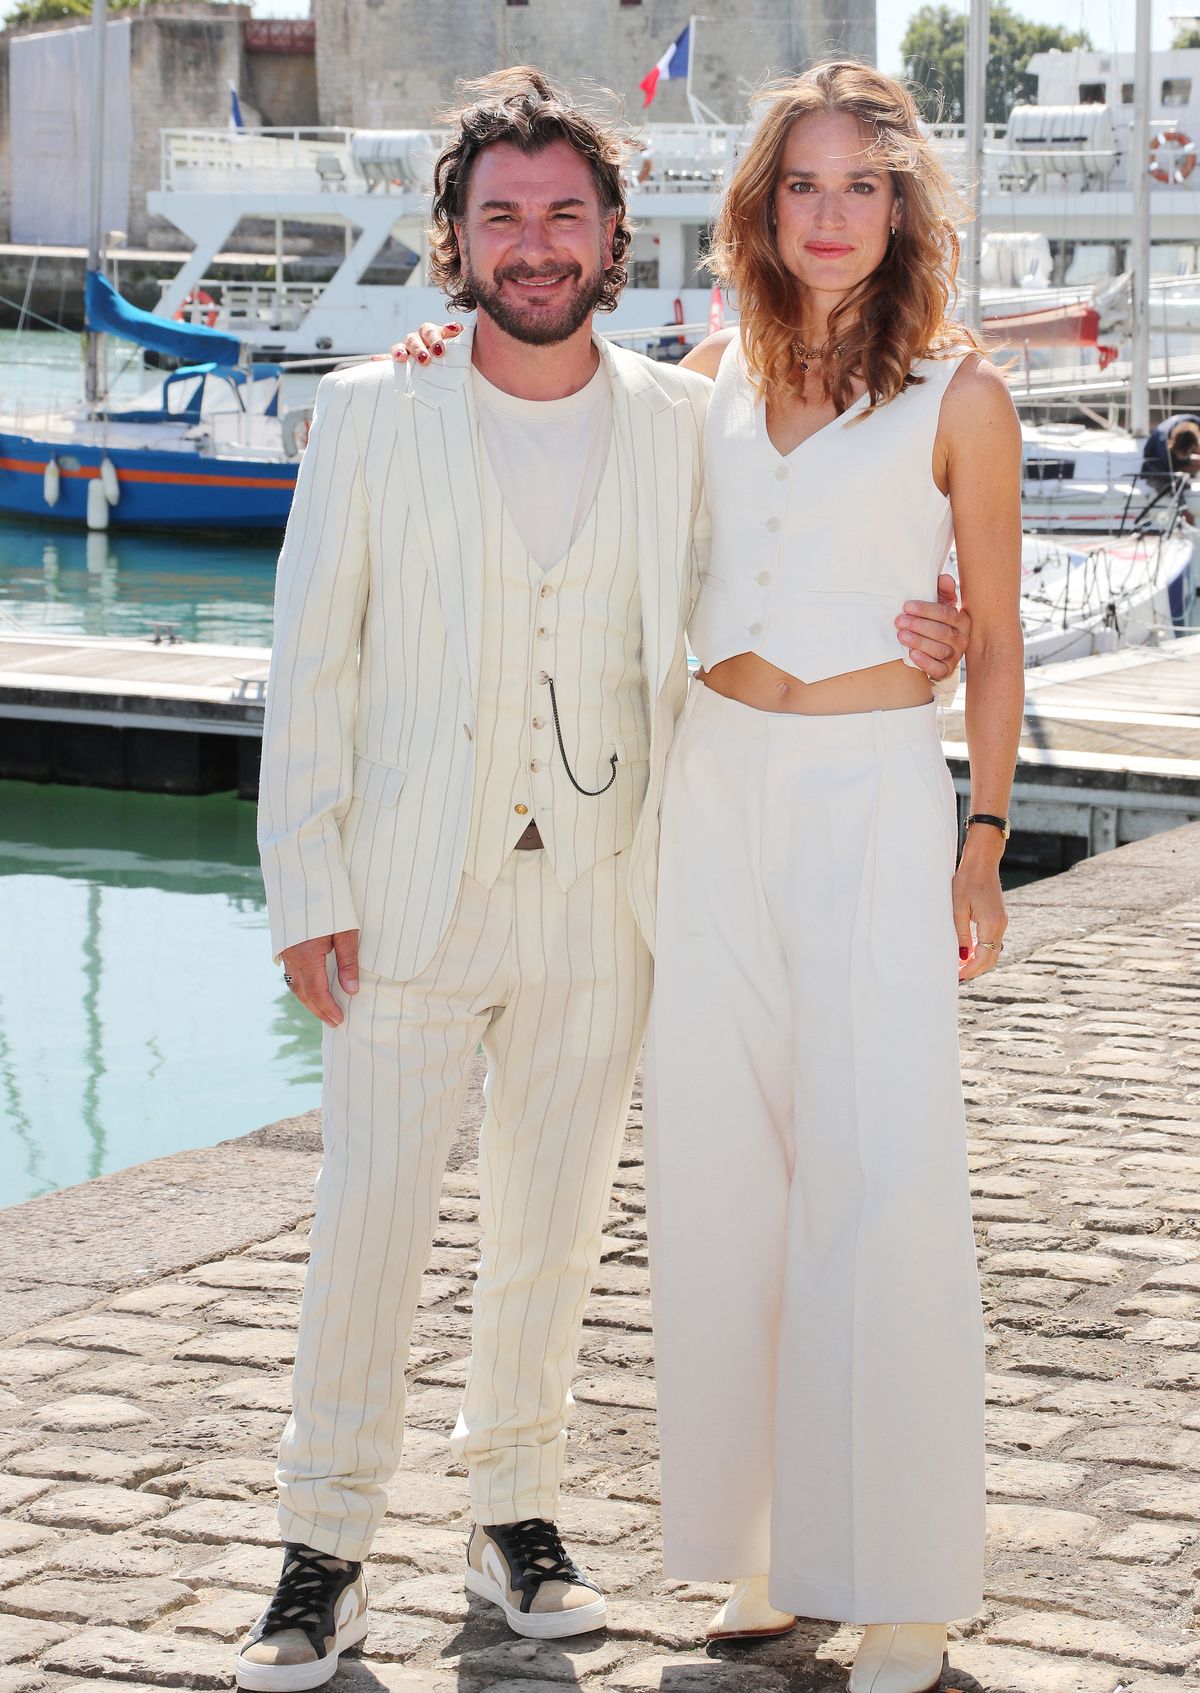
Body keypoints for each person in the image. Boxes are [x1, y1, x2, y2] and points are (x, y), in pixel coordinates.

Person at [240, 67, 972, 1691]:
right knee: (368, 1221)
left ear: (613, 232)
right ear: (455, 240)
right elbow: (313, 668)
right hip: (408, 891)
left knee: (552, 1230)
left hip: (606, 897)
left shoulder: (682, 417)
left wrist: (937, 625)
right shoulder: (369, 410)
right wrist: (307, 884)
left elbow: (812, 535)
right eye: (502, 214)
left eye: (566, 212)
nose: (536, 242)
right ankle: (322, 1545)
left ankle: (518, 1513)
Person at [642, 63, 1023, 1693]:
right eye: (801, 184)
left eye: (861, 185)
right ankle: (760, 1552)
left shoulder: (961, 395)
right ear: (761, 203)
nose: (829, 212)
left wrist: (986, 841)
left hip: (876, 798)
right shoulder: (707, 373)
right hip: (713, 786)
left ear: (903, 209)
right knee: (728, 1173)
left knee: (883, 1177)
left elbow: (994, 641)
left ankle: (909, 1586)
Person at [1139, 412, 1200, 496]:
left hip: (1177, 453)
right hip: (1156, 464)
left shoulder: (1194, 421)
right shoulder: (1164, 444)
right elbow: (1169, 470)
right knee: (1171, 486)